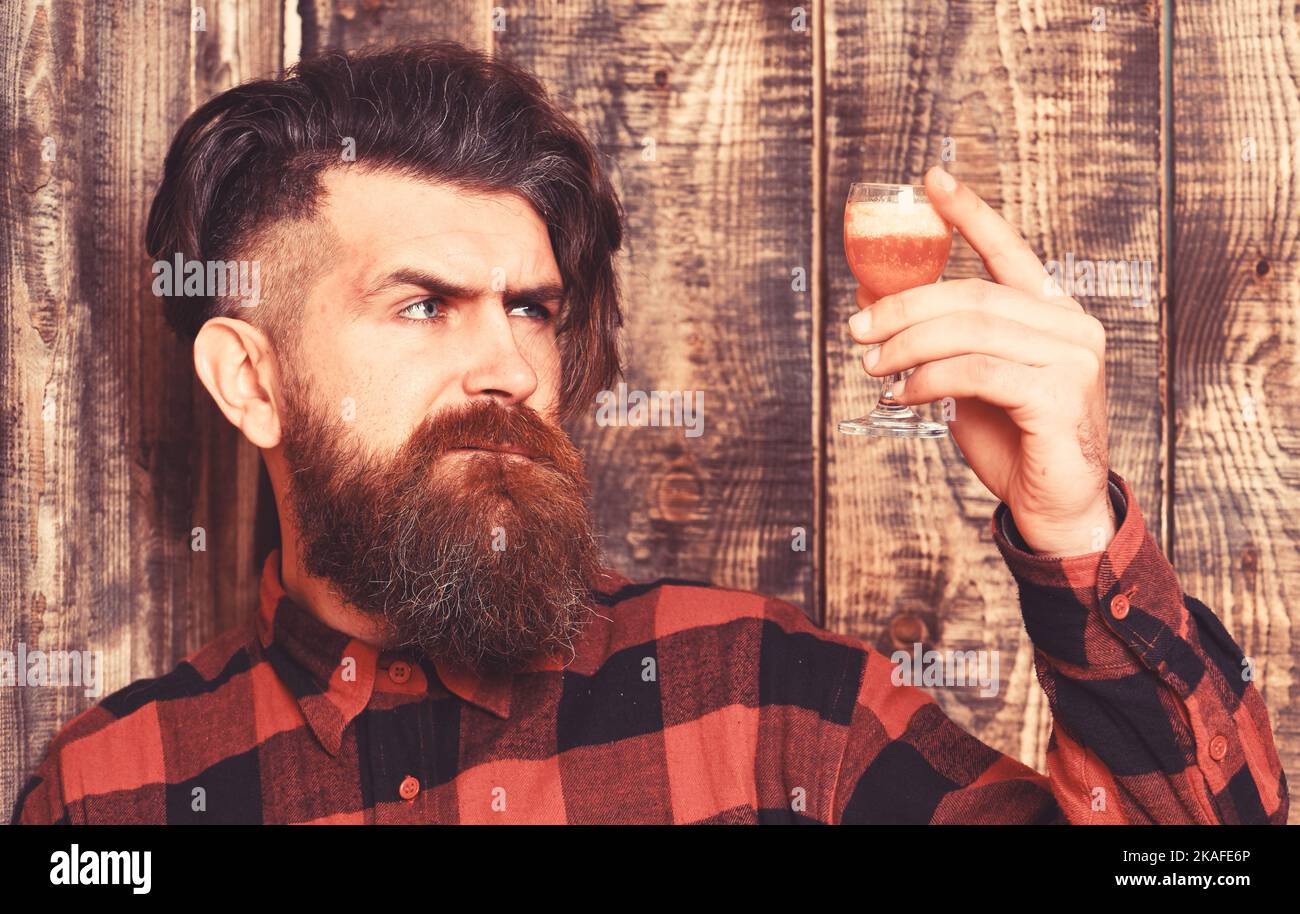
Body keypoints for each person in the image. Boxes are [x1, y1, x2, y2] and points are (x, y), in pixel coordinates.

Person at [10, 40, 1286, 824]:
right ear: (249, 378)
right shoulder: (115, 788)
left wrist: (1072, 527)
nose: (509, 362)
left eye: (532, 309)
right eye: (422, 305)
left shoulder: (770, 705)